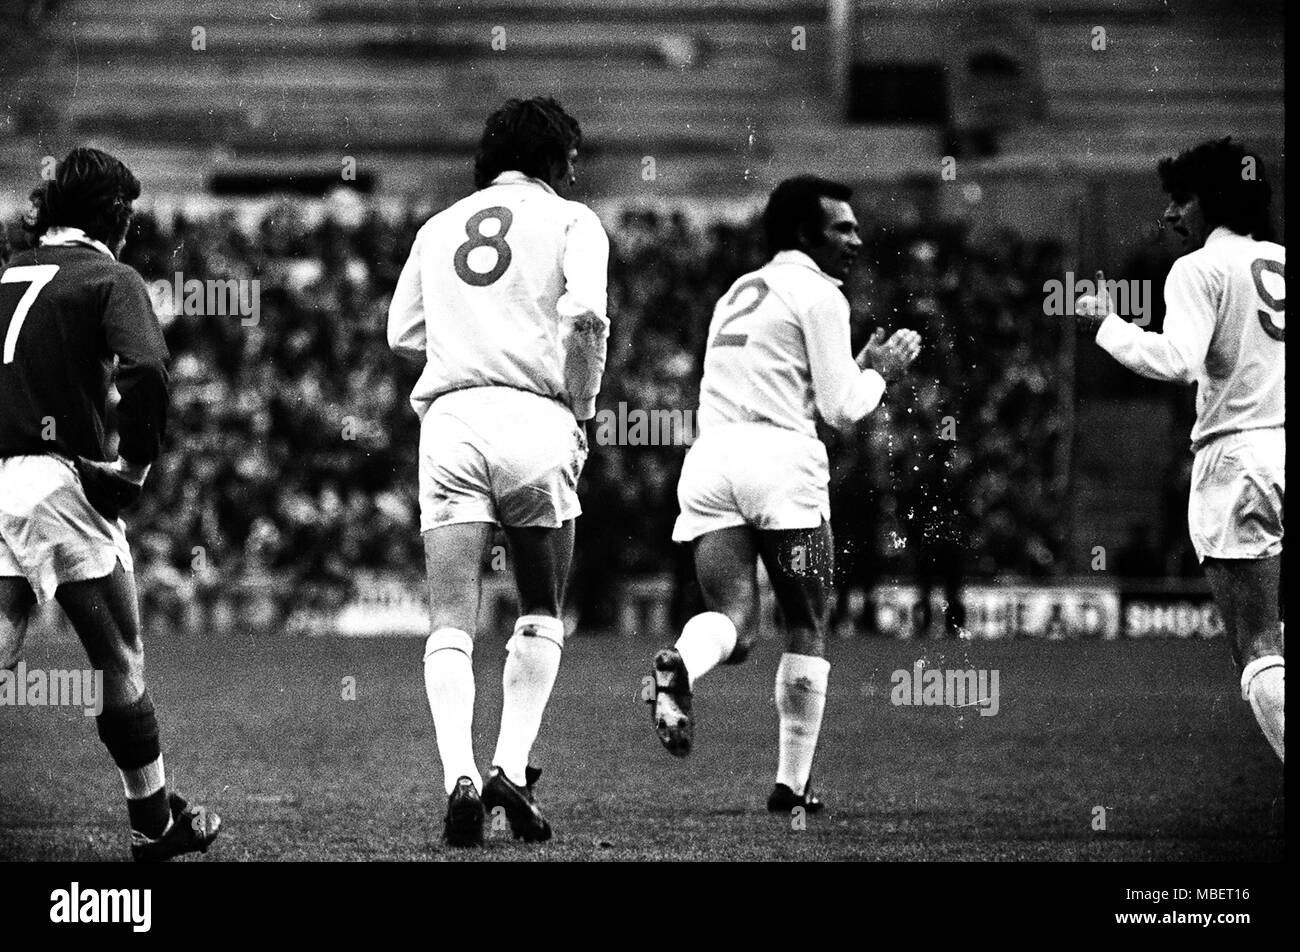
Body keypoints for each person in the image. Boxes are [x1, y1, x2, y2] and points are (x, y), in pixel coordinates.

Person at [646, 175, 921, 812]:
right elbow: (840, 407)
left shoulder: (737, 291)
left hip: (713, 462)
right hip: (781, 467)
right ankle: (791, 788)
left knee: (736, 627)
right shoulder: (820, 294)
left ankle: (682, 663)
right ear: (804, 233)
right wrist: (877, 372)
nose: (855, 240)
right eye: (842, 228)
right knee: (806, 623)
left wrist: (853, 364)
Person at [387, 97, 609, 846]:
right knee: (541, 607)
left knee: (450, 618)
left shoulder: (437, 226)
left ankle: (457, 773)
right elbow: (585, 318)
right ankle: (509, 765)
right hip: (535, 416)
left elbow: (402, 333)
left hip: (451, 420)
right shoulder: (575, 223)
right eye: (571, 159)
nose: (576, 172)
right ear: (551, 159)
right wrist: (579, 406)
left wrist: (469, 343)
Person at [0, 147, 222, 860]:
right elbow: (149, 373)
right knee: (119, 655)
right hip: (60, 481)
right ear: (114, 218)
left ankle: (158, 808)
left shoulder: (6, 273)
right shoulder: (109, 276)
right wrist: (133, 466)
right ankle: (154, 825)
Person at [1074, 137, 1284, 762]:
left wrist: (1104, 324)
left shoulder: (1197, 269)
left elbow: (1177, 361)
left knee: (1257, 645)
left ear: (1212, 200)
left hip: (1238, 460)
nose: (1169, 214)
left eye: (1180, 198)